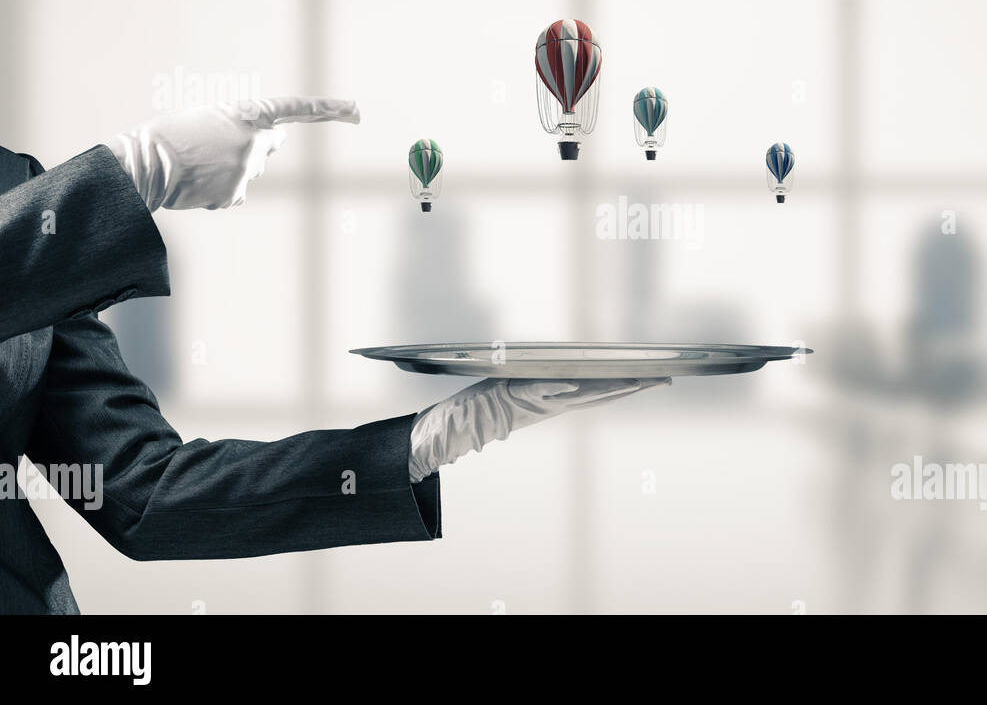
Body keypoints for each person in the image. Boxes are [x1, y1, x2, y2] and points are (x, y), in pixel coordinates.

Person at [0, 97, 666, 614]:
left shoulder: (17, 183)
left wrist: (430, 440)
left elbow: (147, 495)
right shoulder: (57, 209)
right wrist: (138, 173)